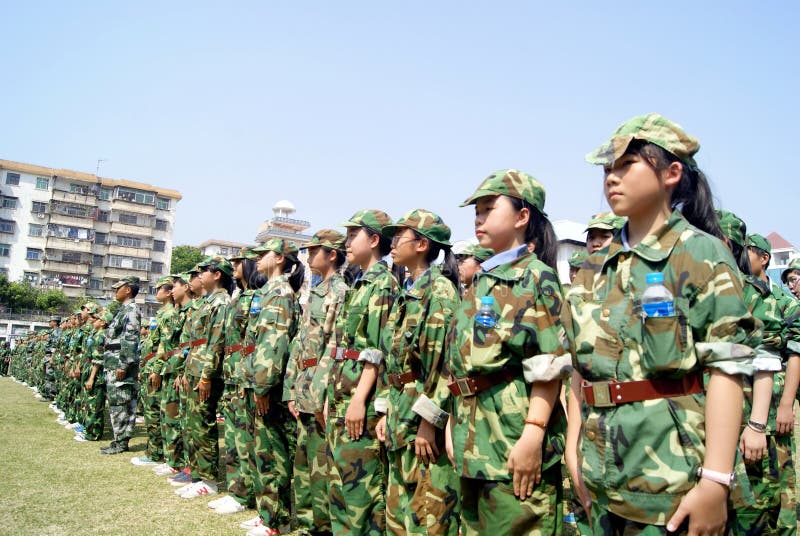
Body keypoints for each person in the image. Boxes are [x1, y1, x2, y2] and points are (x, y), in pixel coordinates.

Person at [564, 113, 757, 534]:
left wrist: (715, 480)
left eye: (626, 165)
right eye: (607, 169)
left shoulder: (699, 254)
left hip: (669, 481)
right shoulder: (595, 264)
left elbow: (726, 370)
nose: (611, 179)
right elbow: (580, 369)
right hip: (599, 474)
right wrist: (572, 449)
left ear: (671, 173)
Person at [447, 170, 569, 535]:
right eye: (476, 212)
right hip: (474, 441)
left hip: (512, 441)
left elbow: (551, 364)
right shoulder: (481, 280)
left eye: (488, 209)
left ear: (522, 216)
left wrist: (533, 436)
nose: (479, 219)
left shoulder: (536, 278)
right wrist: (454, 423)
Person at [313, 209, 399, 536]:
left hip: (359, 401)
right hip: (341, 395)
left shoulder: (383, 285)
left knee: (362, 494)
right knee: (338, 490)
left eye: (353, 235)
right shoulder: (360, 284)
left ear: (374, 240)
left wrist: (360, 400)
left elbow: (376, 352)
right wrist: (328, 396)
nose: (347, 243)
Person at [376, 209, 462, 535]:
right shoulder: (407, 291)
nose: (393, 244)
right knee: (398, 512)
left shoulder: (439, 292)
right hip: (401, 412)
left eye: (400, 238)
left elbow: (444, 366)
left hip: (421, 418)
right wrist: (385, 410)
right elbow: (393, 361)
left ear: (422, 244)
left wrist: (429, 421)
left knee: (427, 512)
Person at [283, 230, 349, 535]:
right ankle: (308, 525)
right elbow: (301, 344)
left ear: (331, 254)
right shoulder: (318, 289)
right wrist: (292, 390)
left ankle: (322, 527)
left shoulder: (339, 290)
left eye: (314, 251)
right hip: (305, 383)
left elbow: (334, 348)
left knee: (322, 467)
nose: (308, 257)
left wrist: (320, 392)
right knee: (304, 464)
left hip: (319, 387)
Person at [239, 238, 304, 536]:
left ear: (279, 258)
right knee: (263, 450)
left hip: (271, 386)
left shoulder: (279, 292)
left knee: (272, 453)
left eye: (262, 254)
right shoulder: (268, 291)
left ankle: (275, 520)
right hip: (262, 382)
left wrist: (262, 387)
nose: (257, 260)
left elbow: (273, 344)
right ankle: (268, 514)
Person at [209, 246, 265, 515]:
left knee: (244, 438)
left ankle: (246, 493)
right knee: (232, 436)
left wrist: (248, 376)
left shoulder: (256, 297)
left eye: (238, 261)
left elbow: (253, 341)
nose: (234, 265)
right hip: (232, 373)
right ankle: (236, 491)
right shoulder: (238, 297)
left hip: (244, 373)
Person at [180, 256, 234, 499]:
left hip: (205, 371)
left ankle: (209, 480)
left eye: (205, 270)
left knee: (203, 424)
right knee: (192, 424)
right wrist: (185, 371)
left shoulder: (221, 303)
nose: (200, 274)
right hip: (194, 367)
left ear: (218, 274)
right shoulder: (205, 302)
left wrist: (206, 376)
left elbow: (216, 342)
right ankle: (197, 475)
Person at [131, 276, 176, 467]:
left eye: (158, 289)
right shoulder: (160, 314)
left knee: (154, 412)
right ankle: (154, 451)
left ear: (168, 292)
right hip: (150, 365)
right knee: (151, 411)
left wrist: (156, 369)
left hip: (157, 367)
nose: (155, 292)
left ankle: (156, 453)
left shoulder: (169, 314)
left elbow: (165, 346)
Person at [102, 276, 143, 455]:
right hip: (113, 362)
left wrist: (123, 365)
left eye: (118, 288)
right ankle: (118, 438)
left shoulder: (131, 310)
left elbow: (131, 338)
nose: (115, 291)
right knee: (116, 402)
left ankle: (122, 441)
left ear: (128, 289)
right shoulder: (123, 310)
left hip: (120, 363)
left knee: (122, 402)